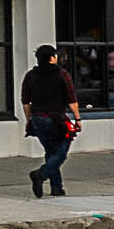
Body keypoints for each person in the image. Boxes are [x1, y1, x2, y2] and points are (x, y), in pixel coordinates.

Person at [21, 45, 79, 198]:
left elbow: (25, 102)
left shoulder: (30, 76)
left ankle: (56, 187)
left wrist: (29, 120)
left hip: (38, 118)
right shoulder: (62, 74)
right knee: (61, 151)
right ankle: (41, 174)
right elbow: (72, 99)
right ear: (53, 58)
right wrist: (77, 119)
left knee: (51, 151)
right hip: (56, 118)